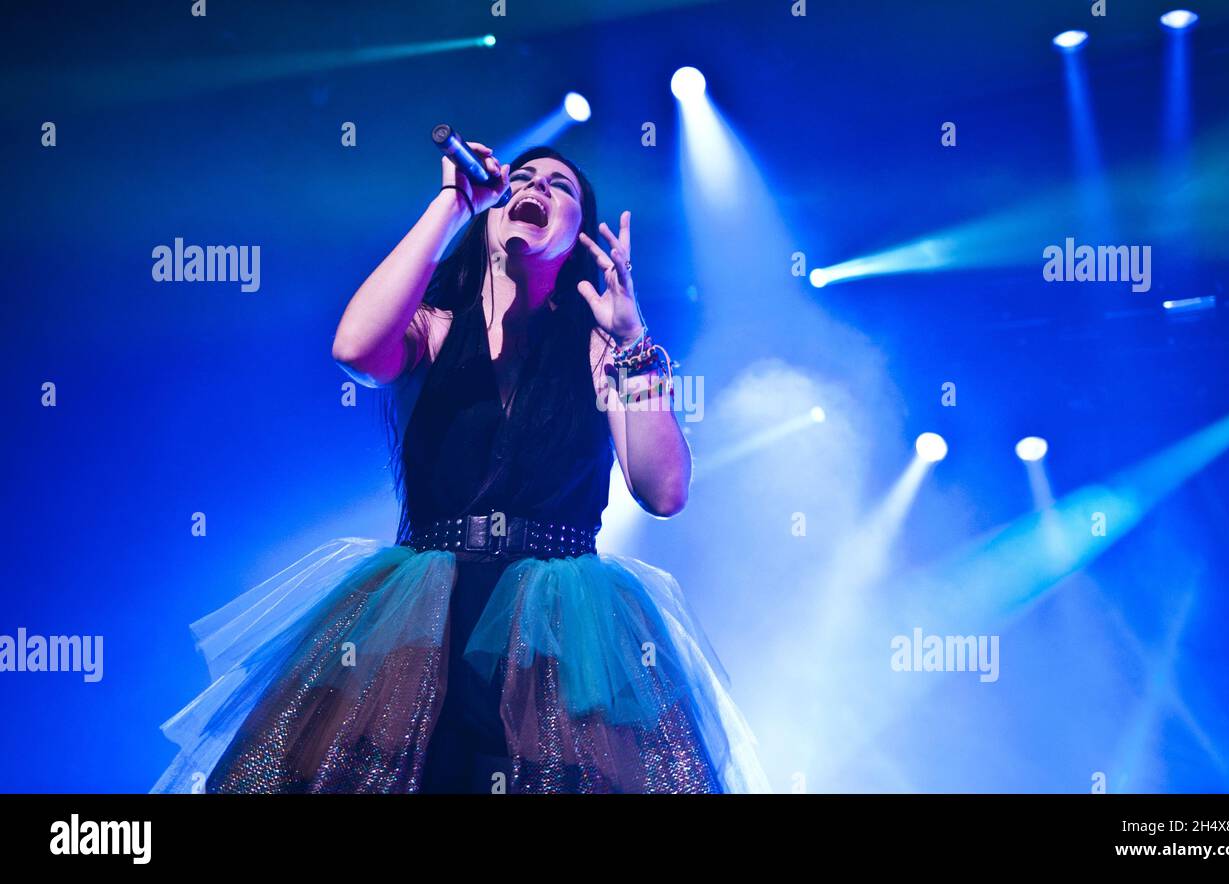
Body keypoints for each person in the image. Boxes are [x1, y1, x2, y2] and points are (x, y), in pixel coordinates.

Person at [151, 141, 770, 794]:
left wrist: (634, 342)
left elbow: (664, 491)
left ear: (579, 240)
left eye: (560, 186)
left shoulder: (599, 352)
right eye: (522, 178)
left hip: (561, 627)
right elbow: (355, 349)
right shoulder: (436, 330)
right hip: (421, 614)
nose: (535, 185)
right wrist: (451, 203)